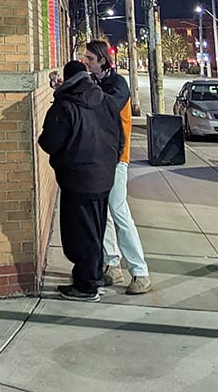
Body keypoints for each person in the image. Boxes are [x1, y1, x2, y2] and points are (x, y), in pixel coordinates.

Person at [39, 59, 124, 302]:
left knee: (80, 233)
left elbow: (49, 142)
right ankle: (94, 274)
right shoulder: (106, 101)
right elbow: (120, 137)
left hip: (77, 179)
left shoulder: (65, 105)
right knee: (95, 229)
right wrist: (110, 162)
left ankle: (86, 286)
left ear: (67, 79)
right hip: (104, 177)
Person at [82, 40, 153, 295]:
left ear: (102, 59)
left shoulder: (118, 85)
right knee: (105, 213)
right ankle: (112, 265)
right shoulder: (96, 83)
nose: (86, 62)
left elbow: (105, 106)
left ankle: (140, 272)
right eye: (85, 58)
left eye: (89, 58)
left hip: (116, 159)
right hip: (100, 158)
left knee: (119, 211)